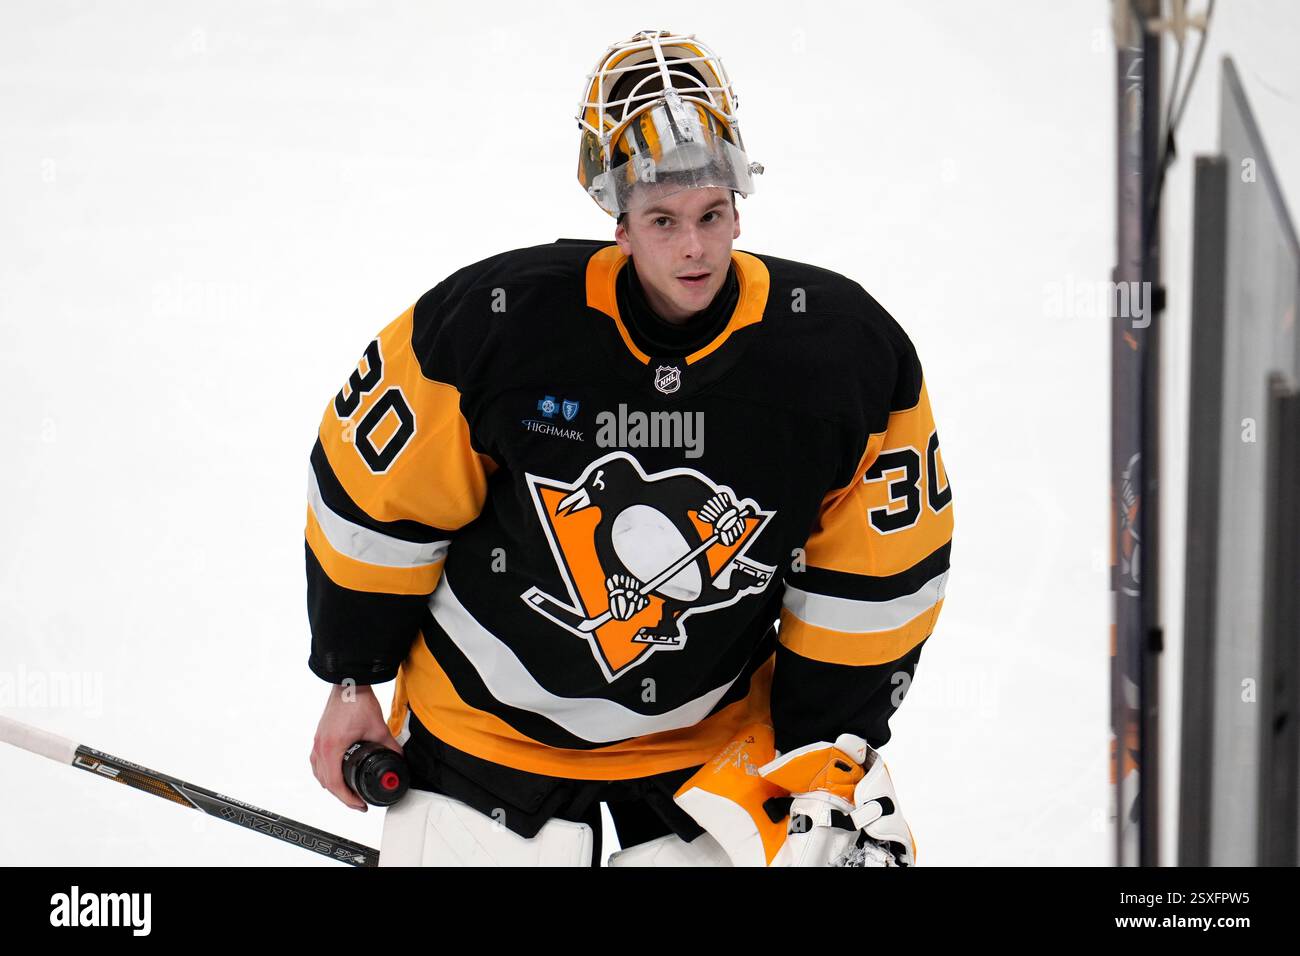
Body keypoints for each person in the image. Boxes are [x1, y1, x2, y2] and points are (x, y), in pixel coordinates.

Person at [305, 29, 953, 867]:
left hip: (711, 761)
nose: (694, 248)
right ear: (617, 221)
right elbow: (376, 504)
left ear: (739, 206)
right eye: (663, 220)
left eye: (712, 215)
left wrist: (827, 753)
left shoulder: (842, 357)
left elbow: (876, 579)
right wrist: (353, 679)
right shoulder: (494, 326)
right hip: (481, 738)